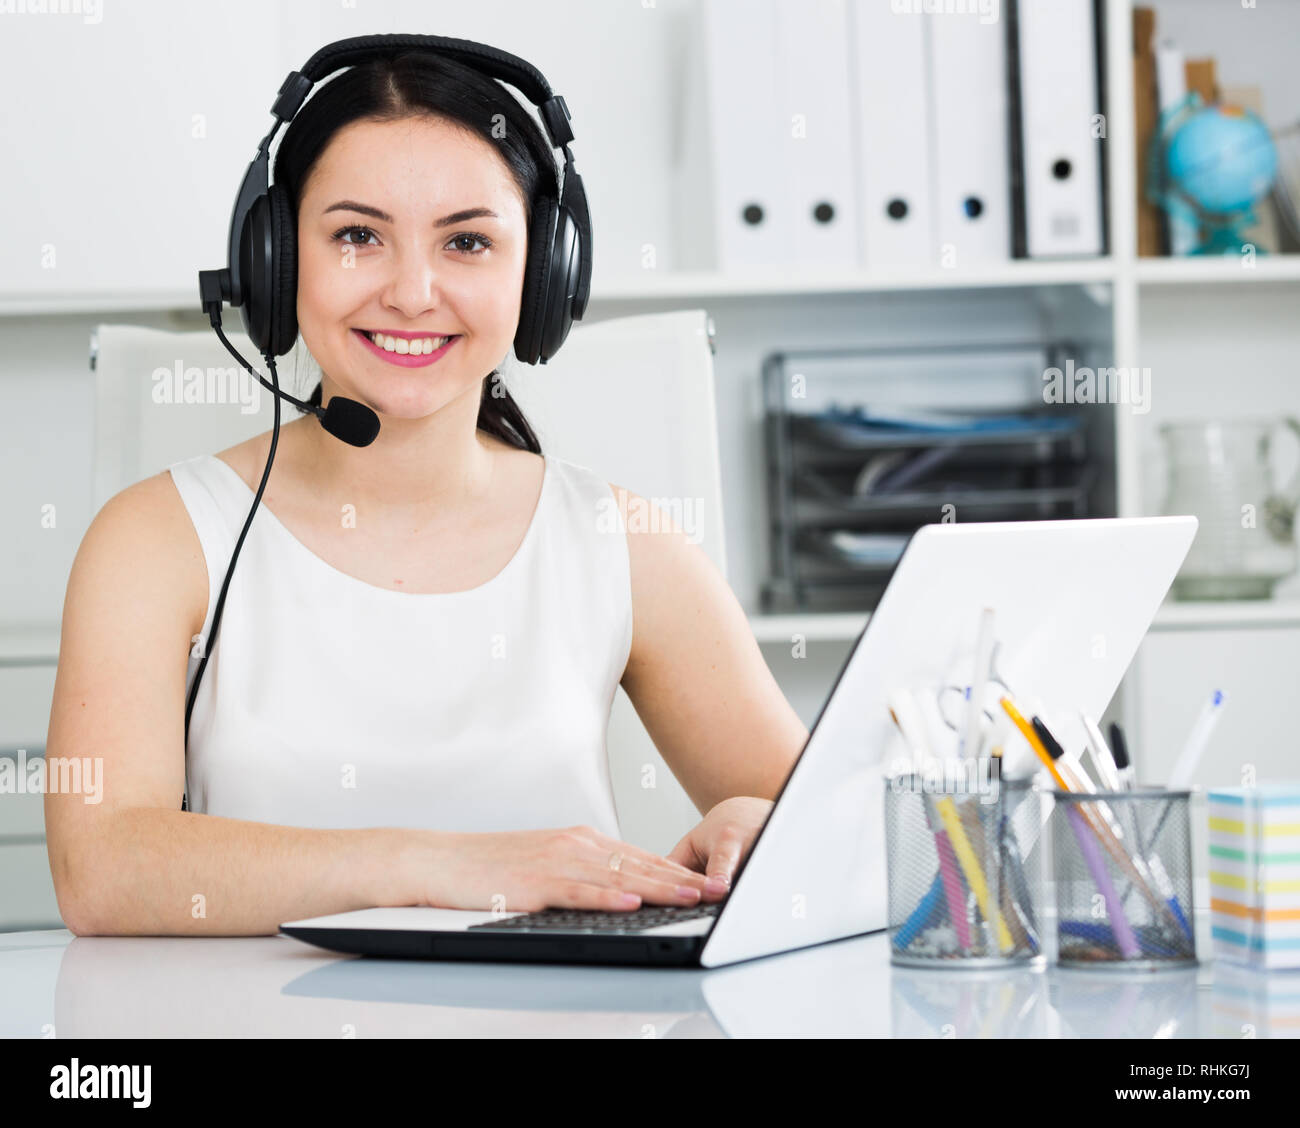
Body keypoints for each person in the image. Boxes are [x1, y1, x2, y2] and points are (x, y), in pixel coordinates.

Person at [44, 48, 808, 937]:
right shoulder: (156, 537)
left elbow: (827, 830)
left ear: (546, 277)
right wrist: (439, 865)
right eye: (357, 235)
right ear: (278, 258)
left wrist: (757, 829)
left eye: (468, 241)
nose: (412, 293)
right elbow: (99, 871)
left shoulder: (622, 542)